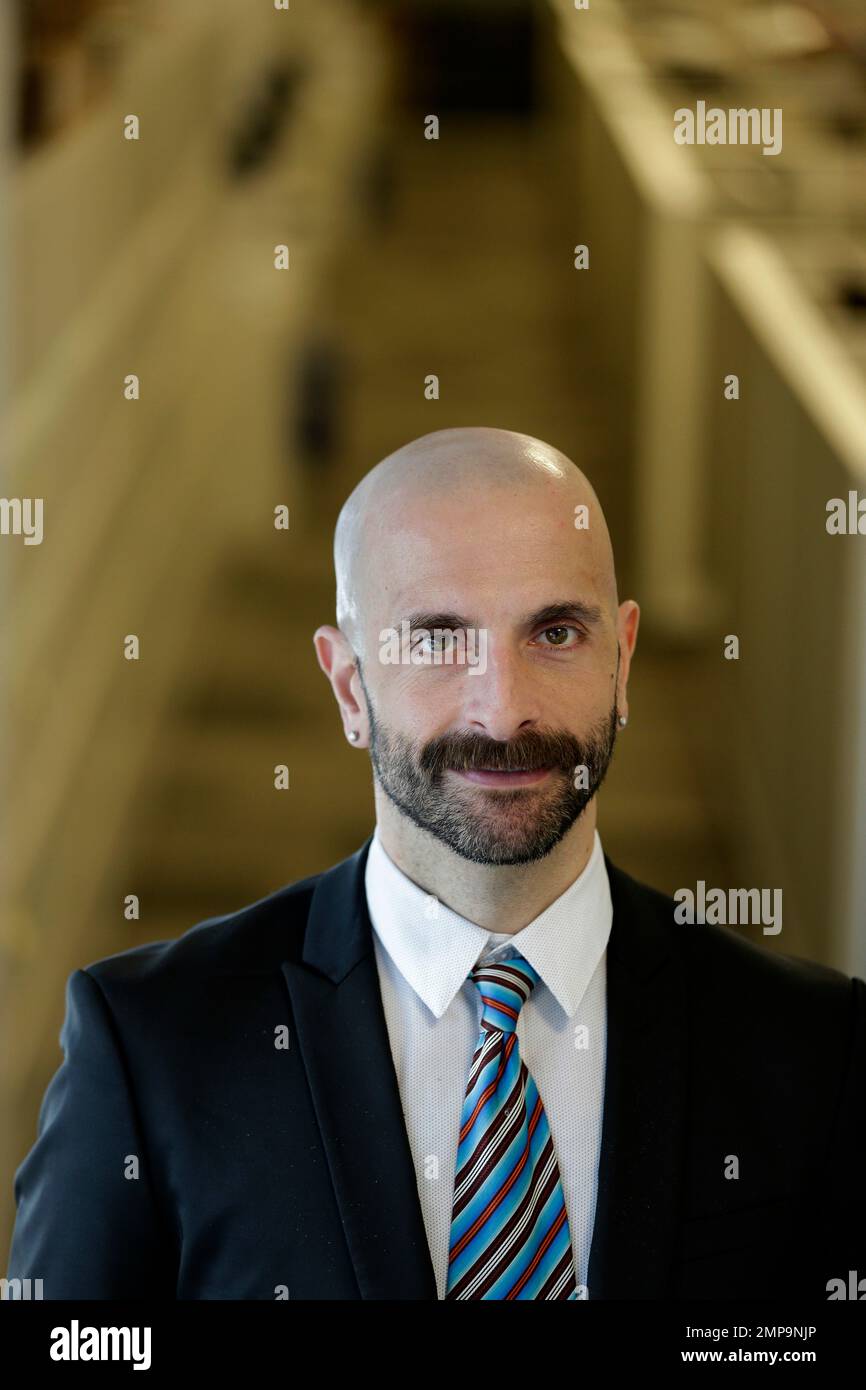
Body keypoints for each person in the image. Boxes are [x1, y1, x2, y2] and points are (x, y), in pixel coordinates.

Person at [6, 427, 865, 1299]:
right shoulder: (153, 1047)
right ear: (349, 686)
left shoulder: (817, 1052)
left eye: (556, 632)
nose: (502, 711)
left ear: (624, 661)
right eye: (437, 639)